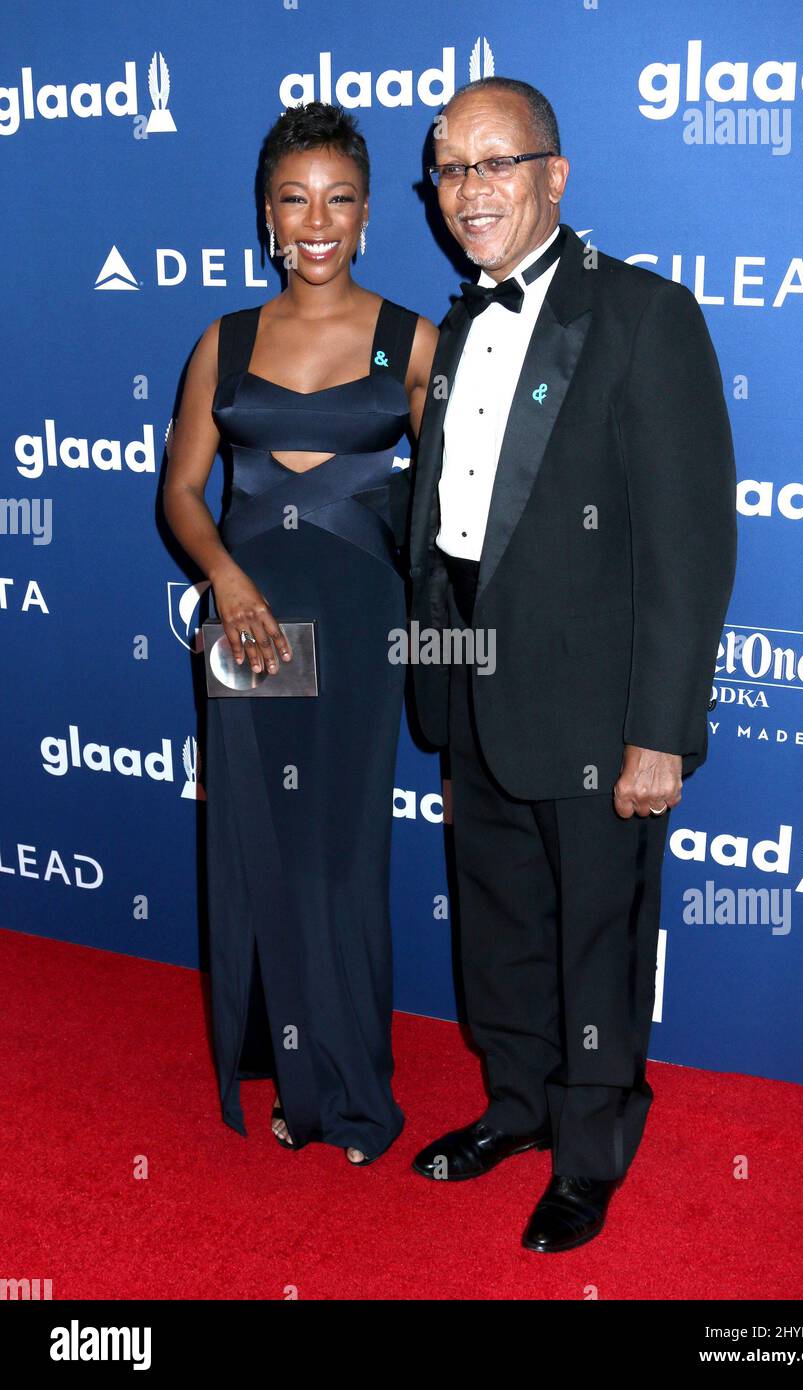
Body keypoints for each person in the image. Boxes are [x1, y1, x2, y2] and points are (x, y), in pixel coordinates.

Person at [406, 77, 737, 1249]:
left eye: (495, 164)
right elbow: (446, 535)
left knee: (596, 934)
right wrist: (436, 680)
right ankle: (512, 1107)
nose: (468, 191)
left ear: (555, 174)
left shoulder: (645, 317)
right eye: (450, 168)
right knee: (497, 926)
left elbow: (688, 548)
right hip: (473, 686)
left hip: (598, 714)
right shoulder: (452, 330)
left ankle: (589, 1151)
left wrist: (660, 730)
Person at [163, 102, 437, 1165]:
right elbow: (181, 492)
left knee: (341, 853)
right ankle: (294, 1073)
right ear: (267, 216)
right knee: (262, 849)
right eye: (294, 199)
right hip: (250, 626)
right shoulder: (223, 341)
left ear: (367, 215)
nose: (315, 221)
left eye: (337, 200)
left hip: (363, 627)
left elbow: (455, 507)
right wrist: (227, 584)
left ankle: (355, 1087)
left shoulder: (411, 339)